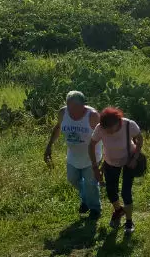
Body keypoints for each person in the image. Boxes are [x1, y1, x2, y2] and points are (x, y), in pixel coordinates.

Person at [44, 91, 102, 220]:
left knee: (90, 183)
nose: (71, 111)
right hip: (73, 156)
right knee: (72, 179)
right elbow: (58, 128)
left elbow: (102, 134)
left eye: (75, 108)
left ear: (83, 106)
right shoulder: (63, 113)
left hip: (91, 156)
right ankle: (86, 199)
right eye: (69, 107)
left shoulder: (92, 116)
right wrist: (49, 146)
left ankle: (95, 209)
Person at [89, 107, 143, 233]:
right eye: (105, 128)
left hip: (128, 161)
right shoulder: (100, 128)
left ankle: (129, 222)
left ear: (118, 122)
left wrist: (135, 158)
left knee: (126, 192)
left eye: (110, 128)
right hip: (110, 162)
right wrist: (95, 167)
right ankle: (118, 210)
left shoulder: (129, 124)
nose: (108, 131)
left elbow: (140, 139)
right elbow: (91, 145)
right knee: (111, 191)